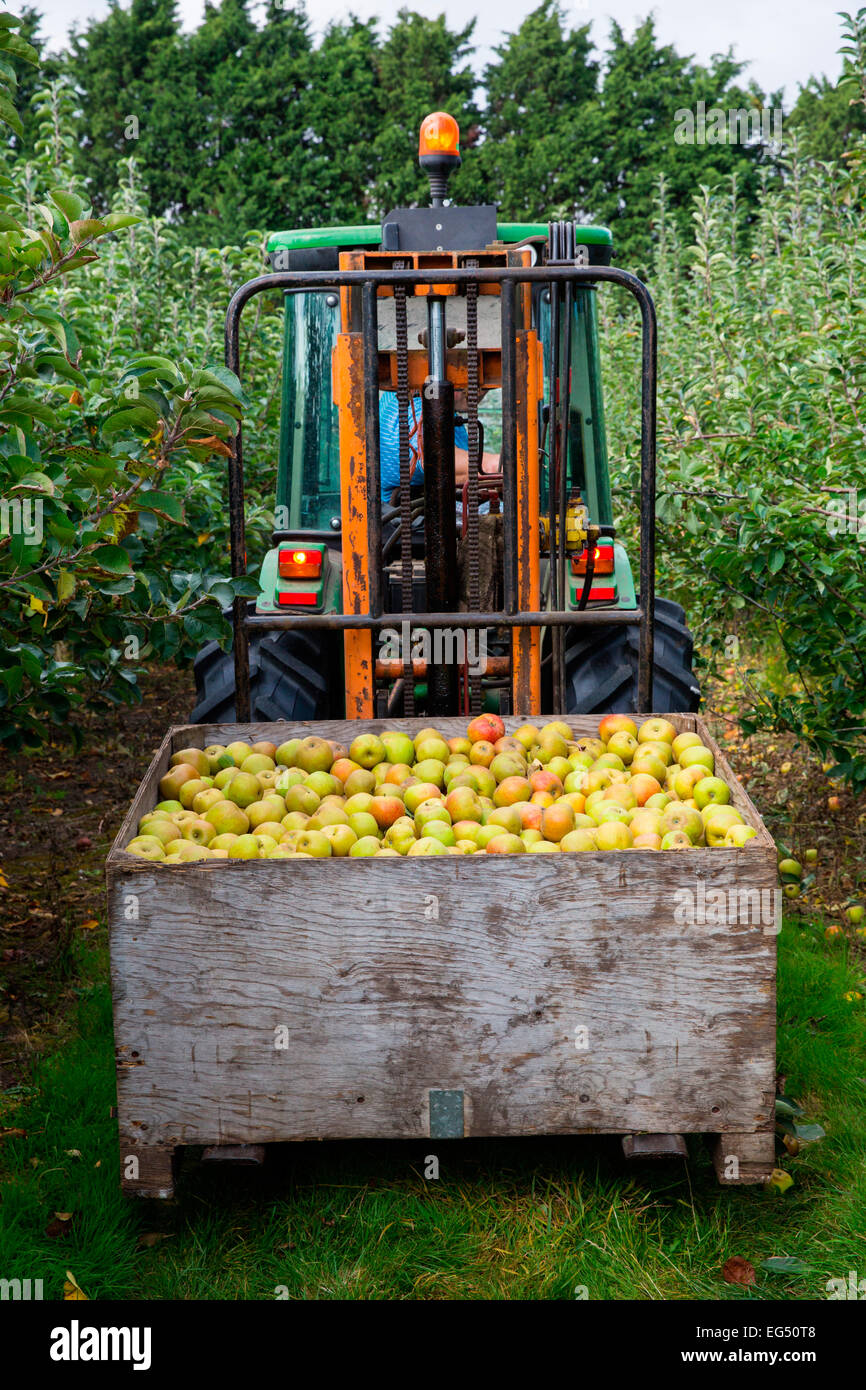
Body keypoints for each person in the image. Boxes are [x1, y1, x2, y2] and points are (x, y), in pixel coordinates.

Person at [378, 388, 500, 500]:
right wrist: (495, 465)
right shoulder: (416, 412)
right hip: (417, 517)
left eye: (486, 388)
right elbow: (435, 457)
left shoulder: (394, 395)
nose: (480, 393)